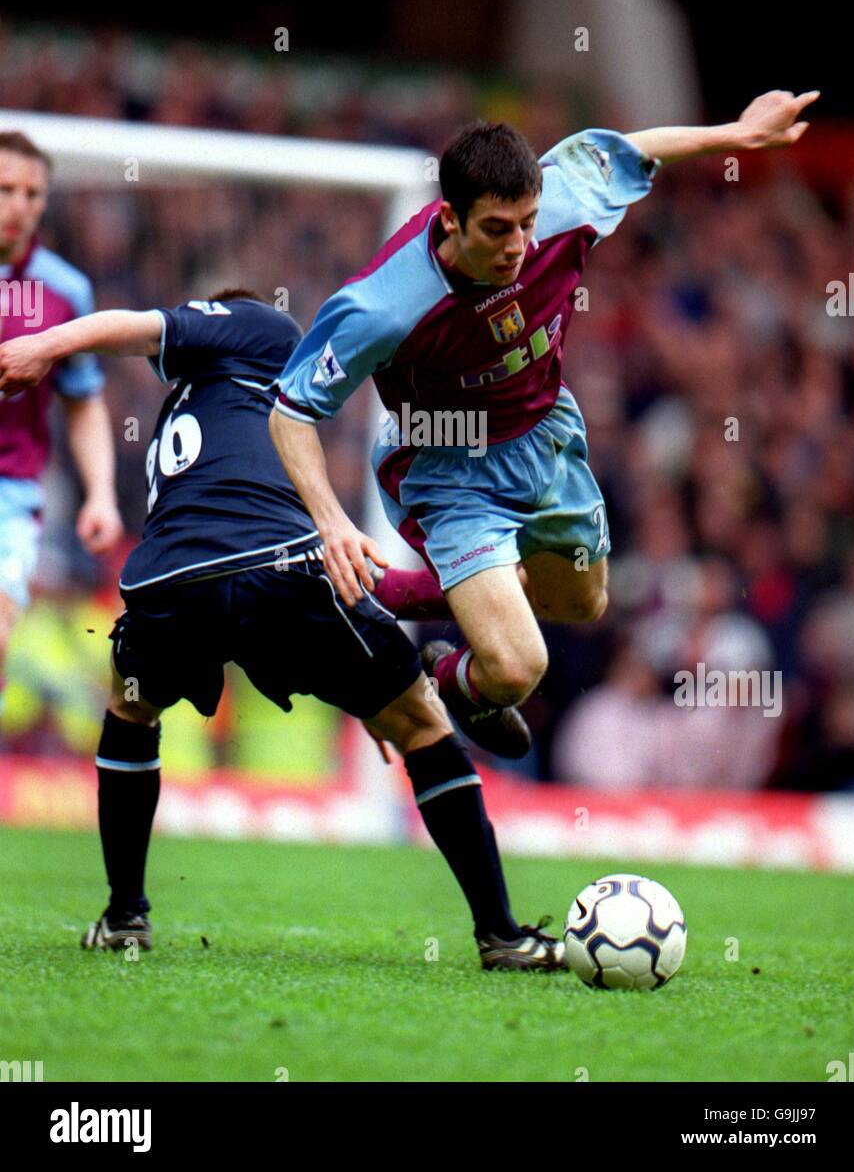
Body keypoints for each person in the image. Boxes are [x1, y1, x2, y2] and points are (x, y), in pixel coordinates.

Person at [0, 290, 566, 971]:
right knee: (420, 722)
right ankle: (501, 935)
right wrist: (43, 345)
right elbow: (135, 326)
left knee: (130, 705)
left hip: (169, 586)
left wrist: (398, 653)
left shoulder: (193, 420)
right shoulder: (263, 328)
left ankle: (125, 918)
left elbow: (319, 566)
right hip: (276, 574)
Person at [269, 91, 820, 760]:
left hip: (544, 432)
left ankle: (413, 619)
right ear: (450, 219)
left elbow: (637, 147)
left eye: (527, 224)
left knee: (582, 602)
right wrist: (332, 524)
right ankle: (432, 674)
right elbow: (292, 409)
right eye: (498, 229)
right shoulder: (384, 303)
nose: (519, 247)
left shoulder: (562, 200)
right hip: (448, 458)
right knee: (517, 668)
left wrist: (738, 131)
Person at [0, 131, 122, 711]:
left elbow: (84, 401)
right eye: (5, 190)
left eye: (32, 193)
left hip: (10, 492)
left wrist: (99, 493)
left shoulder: (63, 290)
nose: (19, 206)